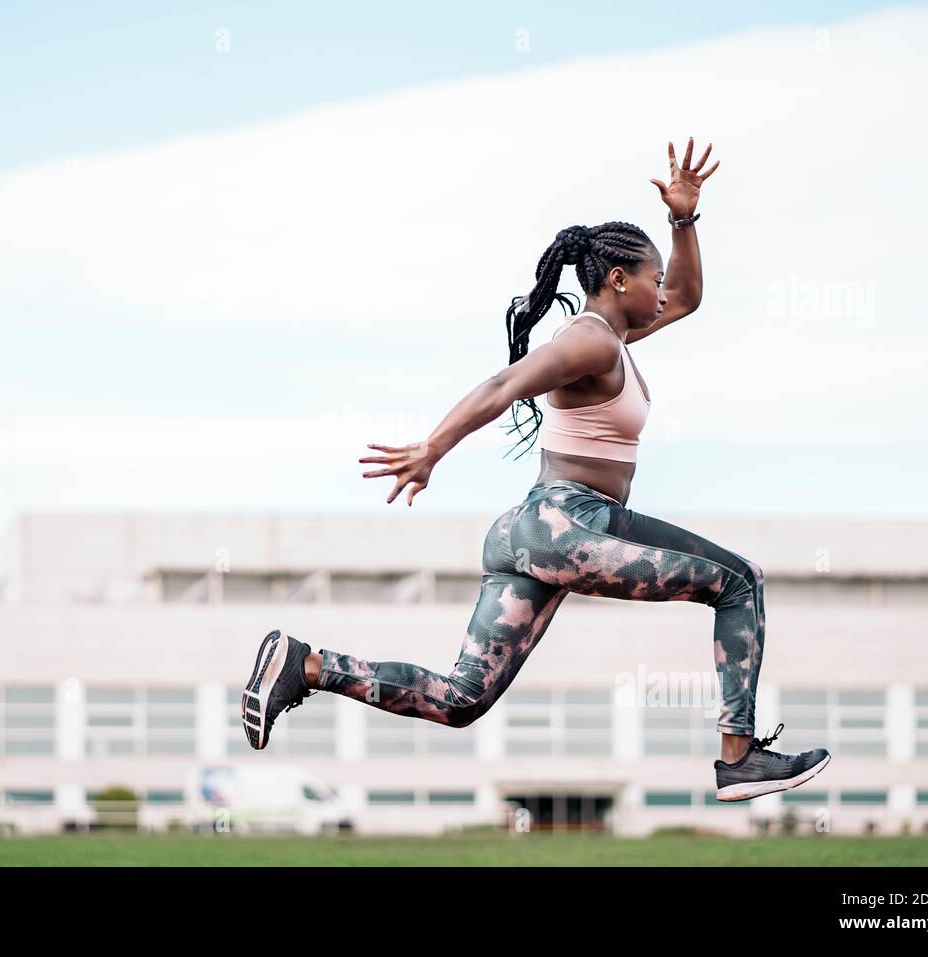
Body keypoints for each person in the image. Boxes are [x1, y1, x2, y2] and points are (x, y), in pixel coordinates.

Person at [240, 138, 829, 801]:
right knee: (740, 580)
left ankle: (306, 664)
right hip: (567, 523)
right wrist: (433, 448)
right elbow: (504, 383)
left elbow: (689, 297)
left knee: (461, 699)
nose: (661, 289)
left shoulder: (615, 339)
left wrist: (683, 220)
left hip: (533, 532)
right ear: (617, 281)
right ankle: (739, 753)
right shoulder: (589, 339)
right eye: (652, 278)